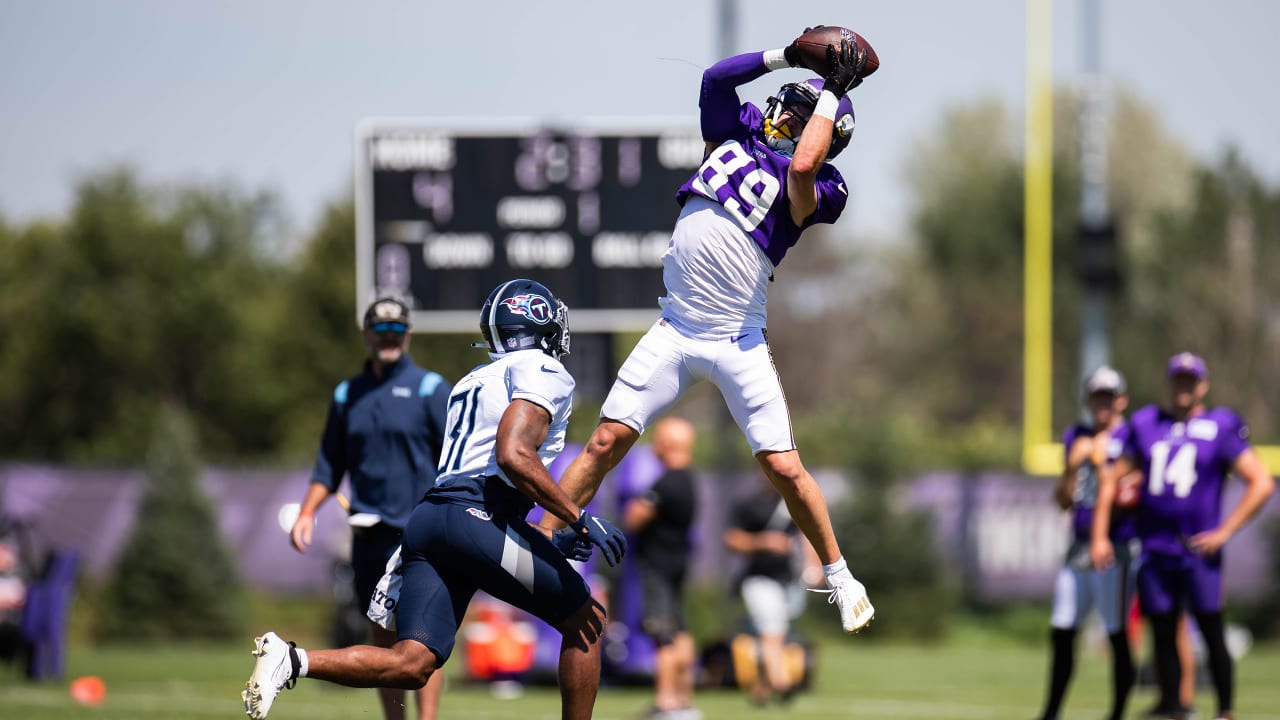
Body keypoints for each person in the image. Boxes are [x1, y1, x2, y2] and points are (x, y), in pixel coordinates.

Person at [540, 28, 876, 635]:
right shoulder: (738, 130)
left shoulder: (823, 187)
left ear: (825, 130)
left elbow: (802, 163)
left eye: (802, 112)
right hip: (675, 325)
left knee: (783, 467)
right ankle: (540, 541)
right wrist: (786, 57)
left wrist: (832, 91)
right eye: (788, 103)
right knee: (604, 442)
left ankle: (839, 574)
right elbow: (714, 79)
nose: (784, 114)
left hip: (736, 339)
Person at [243, 279, 629, 720]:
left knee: (413, 663)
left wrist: (548, 539)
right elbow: (512, 455)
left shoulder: (472, 379)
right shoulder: (543, 370)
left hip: (432, 519)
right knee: (587, 621)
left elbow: (482, 475)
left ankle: (291, 660)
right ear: (538, 321)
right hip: (475, 515)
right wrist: (578, 517)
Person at [288, 296, 452, 720]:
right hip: (369, 538)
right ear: (366, 335)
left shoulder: (431, 389)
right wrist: (307, 512)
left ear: (408, 335)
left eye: (396, 332)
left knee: (422, 642)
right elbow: (329, 464)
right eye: (380, 332)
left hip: (420, 537)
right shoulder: (347, 395)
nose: (388, 340)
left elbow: (456, 460)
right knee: (381, 641)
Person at [1091, 352, 1275, 720]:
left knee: (1210, 630)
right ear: (1169, 382)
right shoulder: (1147, 423)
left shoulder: (1220, 426)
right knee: (1162, 633)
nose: (1184, 387)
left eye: (1191, 380)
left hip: (1198, 550)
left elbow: (1261, 483)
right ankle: (1173, 707)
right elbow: (1113, 478)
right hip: (1156, 548)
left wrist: (1225, 532)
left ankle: (1225, 711)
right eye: (1178, 379)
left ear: (1203, 385)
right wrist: (1101, 529)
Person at [1036, 365, 1138, 720]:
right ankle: (1050, 712)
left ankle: (1117, 713)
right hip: (1078, 547)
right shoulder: (1075, 436)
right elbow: (1064, 501)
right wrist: (1071, 466)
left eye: (1109, 396)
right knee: (1062, 629)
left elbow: (1131, 492)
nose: (1103, 404)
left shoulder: (1131, 437)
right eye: (1097, 396)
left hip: (1115, 548)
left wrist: (1102, 462)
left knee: (1115, 631)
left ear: (1121, 400)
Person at [621, 416, 701, 719]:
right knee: (680, 631)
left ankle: (666, 702)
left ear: (666, 444)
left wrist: (632, 507)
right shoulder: (690, 479)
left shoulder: (666, 482)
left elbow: (634, 518)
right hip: (678, 563)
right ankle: (684, 701)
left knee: (663, 633)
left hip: (658, 566)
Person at [724, 470, 822, 707]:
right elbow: (731, 539)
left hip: (789, 581)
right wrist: (763, 542)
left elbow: (806, 535)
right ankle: (782, 683)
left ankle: (761, 690)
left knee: (776, 634)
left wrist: (815, 565)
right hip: (758, 579)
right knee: (772, 631)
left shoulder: (792, 503)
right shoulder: (748, 505)